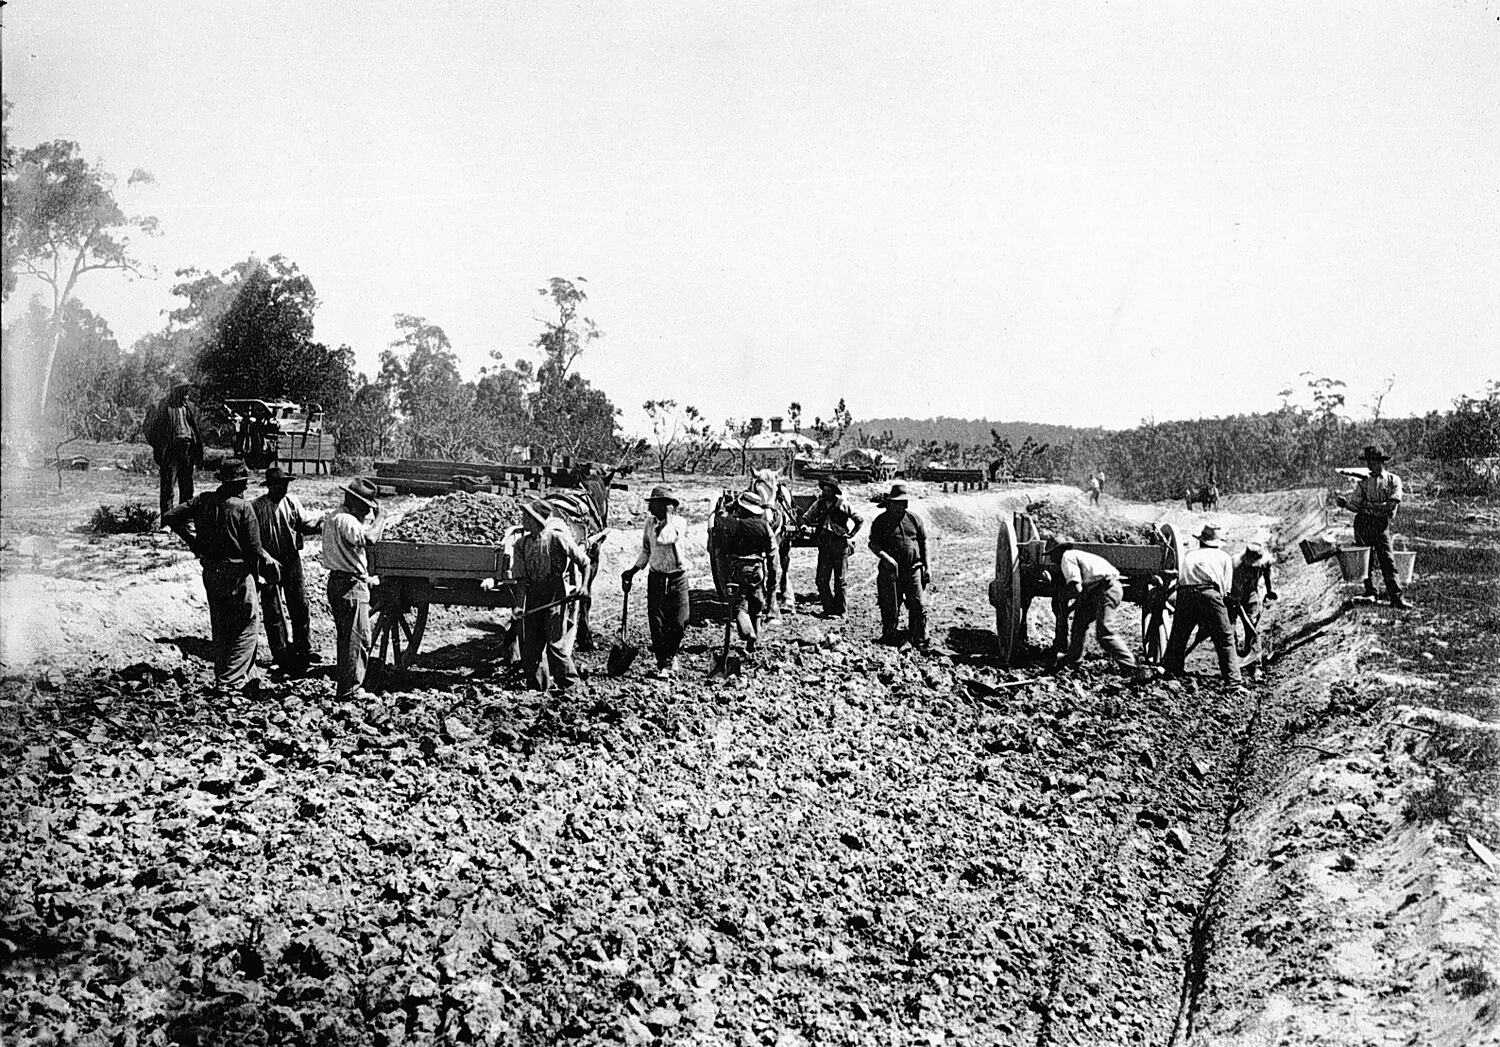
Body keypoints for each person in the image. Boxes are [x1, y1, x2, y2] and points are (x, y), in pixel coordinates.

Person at [163, 458, 278, 695]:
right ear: (239, 483)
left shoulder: (204, 500)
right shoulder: (243, 508)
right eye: (244, 483)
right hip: (237, 573)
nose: (245, 487)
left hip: (211, 571)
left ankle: (227, 674)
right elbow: (254, 550)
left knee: (221, 624)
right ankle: (231, 680)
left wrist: (193, 543)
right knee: (247, 625)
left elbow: (171, 516)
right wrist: (260, 576)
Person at [251, 465, 324, 672]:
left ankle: (303, 648)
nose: (283, 489)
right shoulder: (257, 507)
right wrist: (263, 559)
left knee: (299, 604)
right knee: (273, 609)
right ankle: (281, 652)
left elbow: (303, 525)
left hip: (291, 559)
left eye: (285, 485)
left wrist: (320, 525)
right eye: (279, 485)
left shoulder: (292, 502)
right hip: (268, 562)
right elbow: (252, 537)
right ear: (270, 487)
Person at [321, 477, 385, 700]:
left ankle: (347, 686)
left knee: (349, 637)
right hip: (350, 584)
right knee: (356, 638)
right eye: (365, 507)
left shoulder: (335, 517)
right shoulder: (347, 520)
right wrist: (381, 518)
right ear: (354, 501)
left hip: (338, 582)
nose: (367, 512)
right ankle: (350, 690)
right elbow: (370, 538)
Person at [516, 501, 590, 691]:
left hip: (554, 595)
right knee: (532, 645)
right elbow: (522, 579)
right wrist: (518, 605)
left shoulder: (556, 538)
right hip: (534, 595)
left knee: (555, 644)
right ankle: (537, 687)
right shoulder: (522, 544)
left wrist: (584, 586)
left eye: (526, 516)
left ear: (535, 520)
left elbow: (584, 562)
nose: (522, 519)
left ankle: (572, 686)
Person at [1163, 524, 1241, 687]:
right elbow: (1225, 591)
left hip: (1185, 595)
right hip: (1209, 594)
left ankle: (1171, 670)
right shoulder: (1224, 557)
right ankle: (1233, 683)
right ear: (1218, 543)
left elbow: (1182, 579)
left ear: (1201, 541)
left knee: (1179, 634)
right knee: (1225, 638)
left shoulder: (1190, 555)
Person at [622, 486, 688, 677]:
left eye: (654, 504)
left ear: (666, 506)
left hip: (678, 577)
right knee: (657, 623)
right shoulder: (649, 524)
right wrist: (633, 571)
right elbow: (646, 550)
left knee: (679, 621)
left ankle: (671, 654)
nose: (650, 508)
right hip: (657, 577)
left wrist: (667, 518)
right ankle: (664, 664)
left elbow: (667, 538)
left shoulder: (679, 523)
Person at [1048, 539, 1140, 675]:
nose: (1050, 559)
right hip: (1096, 589)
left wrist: (1063, 601)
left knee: (1104, 632)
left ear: (1057, 552)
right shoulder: (1078, 554)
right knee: (1079, 624)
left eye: (1051, 554)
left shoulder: (1066, 557)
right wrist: (1071, 608)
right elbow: (1082, 590)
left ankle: (1132, 667)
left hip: (1106, 589)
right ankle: (1073, 661)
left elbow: (1076, 588)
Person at [1336, 445, 1411, 609]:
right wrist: (1344, 504)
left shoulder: (1393, 480)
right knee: (1366, 561)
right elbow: (1355, 506)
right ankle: (1371, 592)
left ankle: (1396, 597)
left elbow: (1391, 505)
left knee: (1387, 560)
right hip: (1363, 523)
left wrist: (1367, 505)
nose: (1370, 465)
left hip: (1380, 525)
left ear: (1380, 462)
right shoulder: (1364, 482)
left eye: (1372, 461)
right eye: (1368, 461)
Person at [711, 491, 776, 652]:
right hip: (757, 570)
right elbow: (773, 555)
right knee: (757, 604)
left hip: (737, 569)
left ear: (740, 507)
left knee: (740, 606)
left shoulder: (731, 524)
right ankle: (755, 640)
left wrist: (723, 579)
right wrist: (772, 579)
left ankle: (748, 633)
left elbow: (719, 552)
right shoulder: (764, 526)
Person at [868, 482, 929, 646]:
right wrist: (887, 559)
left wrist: (926, 567)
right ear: (889, 503)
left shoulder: (914, 519)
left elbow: (923, 543)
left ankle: (919, 639)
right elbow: (873, 544)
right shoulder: (881, 521)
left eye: (902, 504)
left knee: (918, 605)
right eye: (896, 503)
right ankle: (889, 635)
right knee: (889, 605)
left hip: (913, 569)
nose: (899, 507)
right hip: (890, 571)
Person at [799, 478, 864, 616]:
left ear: (834, 491)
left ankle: (841, 611)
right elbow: (806, 517)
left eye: (829, 490)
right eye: (825, 489)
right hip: (824, 545)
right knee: (821, 580)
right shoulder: (818, 504)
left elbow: (859, 519)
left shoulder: (843, 504)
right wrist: (804, 525)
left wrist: (851, 534)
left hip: (839, 545)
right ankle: (828, 609)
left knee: (840, 581)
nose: (826, 492)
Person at [144, 382, 204, 521]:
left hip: (187, 449)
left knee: (187, 486)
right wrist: (160, 448)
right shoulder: (163, 406)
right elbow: (152, 430)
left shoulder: (190, 406)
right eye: (184, 389)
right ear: (176, 390)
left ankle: (185, 519)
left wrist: (197, 452)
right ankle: (168, 521)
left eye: (187, 388)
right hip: (171, 451)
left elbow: (195, 429)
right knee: (167, 488)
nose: (187, 391)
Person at [1230, 542, 1277, 674]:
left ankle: (1256, 664)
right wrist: (1247, 623)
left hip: (1251, 592)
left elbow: (1267, 573)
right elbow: (1237, 601)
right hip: (1232, 596)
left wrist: (1269, 591)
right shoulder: (1237, 566)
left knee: (1255, 624)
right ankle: (1233, 663)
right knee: (1230, 626)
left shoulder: (1266, 560)